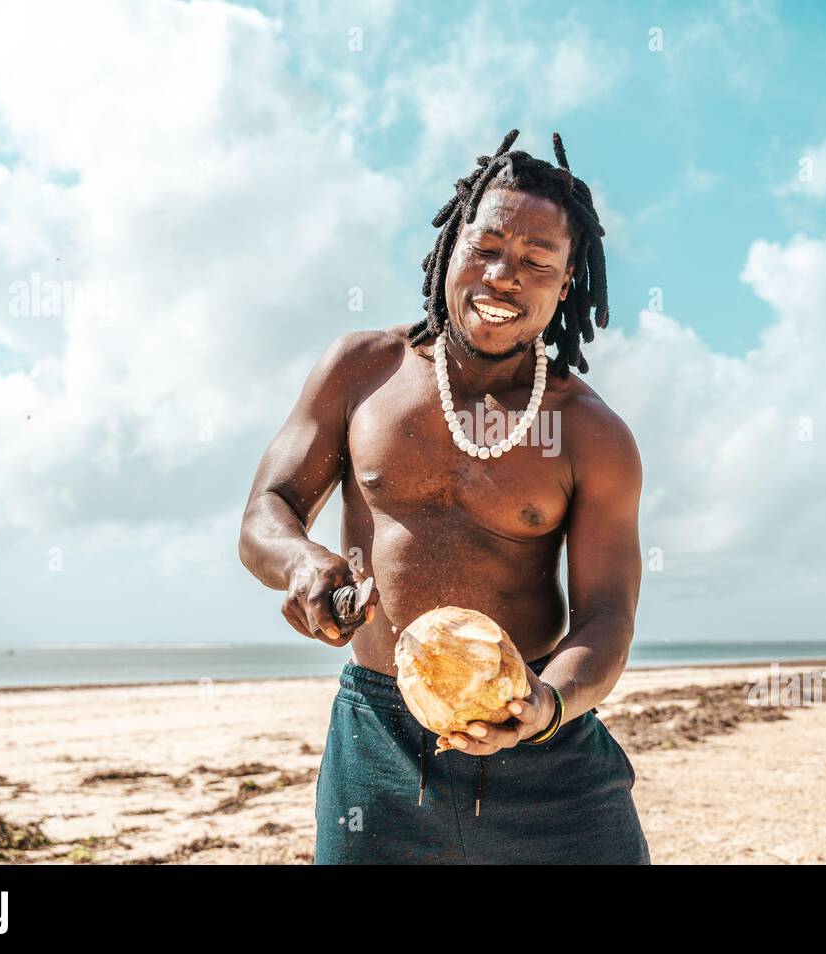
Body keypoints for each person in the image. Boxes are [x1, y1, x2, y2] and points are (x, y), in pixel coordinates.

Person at [238, 129, 649, 863]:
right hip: (379, 741)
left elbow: (608, 618)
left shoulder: (592, 434)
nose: (502, 277)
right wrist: (302, 565)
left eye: (535, 262)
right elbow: (267, 510)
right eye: (486, 247)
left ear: (565, 283)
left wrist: (544, 705)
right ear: (452, 244)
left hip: (541, 740)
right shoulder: (361, 370)